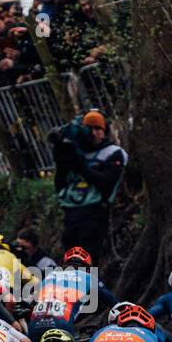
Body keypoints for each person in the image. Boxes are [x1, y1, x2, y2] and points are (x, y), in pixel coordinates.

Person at [48, 110, 127, 262]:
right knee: (71, 257)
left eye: (98, 129)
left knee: (88, 258)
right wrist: (62, 160)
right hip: (72, 212)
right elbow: (60, 185)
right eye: (90, 129)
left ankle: (92, 284)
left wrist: (81, 167)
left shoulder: (113, 153)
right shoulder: (75, 151)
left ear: (105, 131)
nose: (94, 133)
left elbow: (106, 182)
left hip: (95, 212)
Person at [27, 245, 116, 342]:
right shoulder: (89, 277)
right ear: (87, 269)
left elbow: (30, 300)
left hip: (34, 326)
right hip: (61, 325)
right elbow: (114, 304)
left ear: (64, 264)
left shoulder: (49, 276)